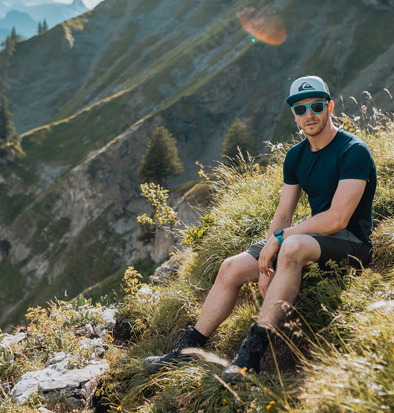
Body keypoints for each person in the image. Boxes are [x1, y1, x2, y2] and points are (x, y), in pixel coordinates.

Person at [145, 75, 376, 381]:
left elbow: (337, 219)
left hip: (351, 243)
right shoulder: (296, 156)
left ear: (330, 107)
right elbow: (283, 215)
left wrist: (280, 241)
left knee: (291, 245)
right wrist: (268, 256)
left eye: (317, 106)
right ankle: (189, 350)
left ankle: (251, 353)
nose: (309, 114)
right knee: (230, 268)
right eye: (300, 108)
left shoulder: (353, 151)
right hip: (315, 239)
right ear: (293, 115)